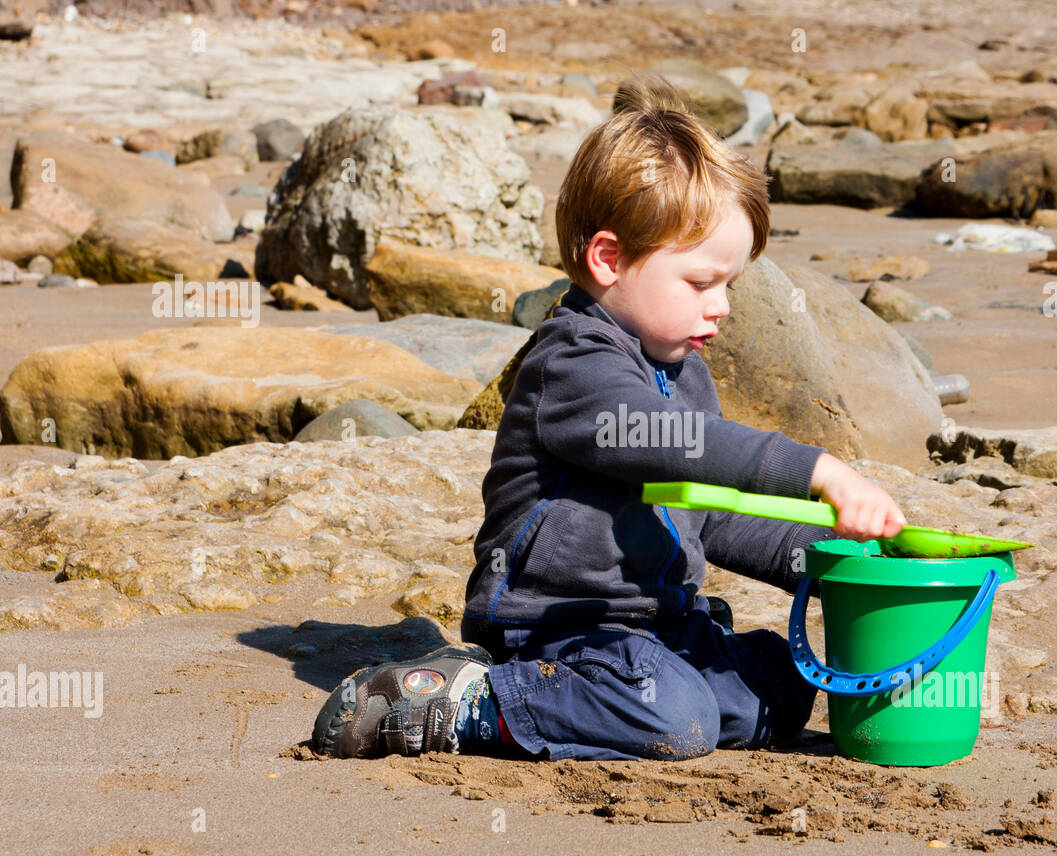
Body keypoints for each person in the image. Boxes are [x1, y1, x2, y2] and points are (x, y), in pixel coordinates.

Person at [311, 73, 906, 761]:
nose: (723, 307)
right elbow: (675, 447)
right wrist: (815, 470)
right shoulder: (573, 365)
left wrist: (828, 562)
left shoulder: (684, 371)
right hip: (562, 623)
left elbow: (708, 516)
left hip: (657, 623)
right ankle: (465, 701)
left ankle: (627, 691)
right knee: (678, 720)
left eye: (730, 285)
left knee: (777, 686)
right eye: (701, 283)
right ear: (609, 257)